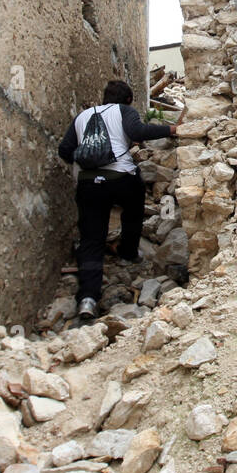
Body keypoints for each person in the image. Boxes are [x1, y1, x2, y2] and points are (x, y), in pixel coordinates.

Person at [57, 79, 179, 320]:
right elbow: (137, 132)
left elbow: (64, 150)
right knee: (133, 209)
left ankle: (88, 299)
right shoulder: (124, 111)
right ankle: (128, 252)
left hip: (89, 183)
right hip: (121, 177)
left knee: (91, 239)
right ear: (128, 100)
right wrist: (171, 129)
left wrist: (90, 159)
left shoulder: (82, 116)